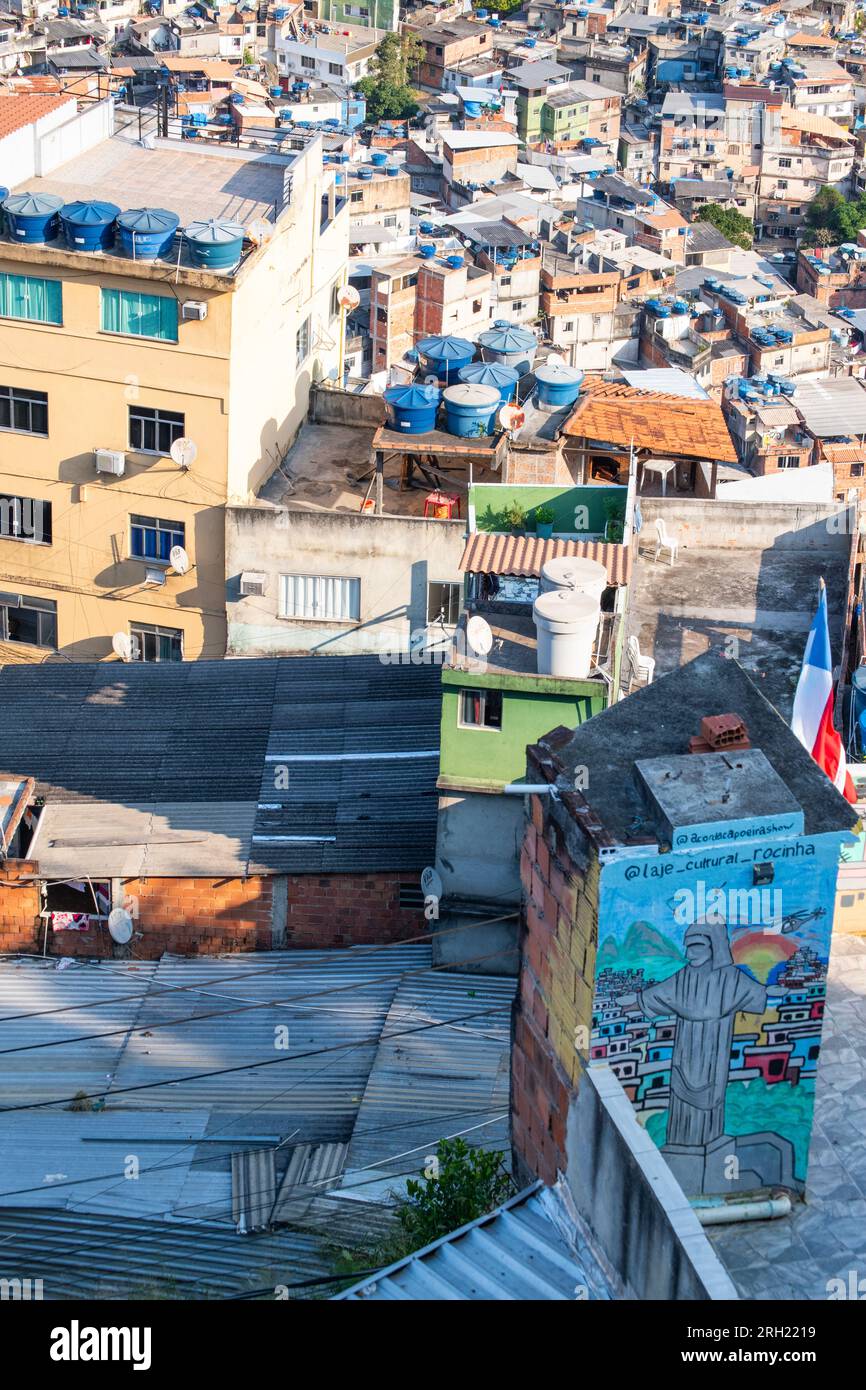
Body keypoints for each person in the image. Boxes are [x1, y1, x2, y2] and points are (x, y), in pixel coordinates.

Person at [637, 919, 766, 1149]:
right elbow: (657, 995)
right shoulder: (684, 977)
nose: (689, 954)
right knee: (681, 1115)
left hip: (713, 1055)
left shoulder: (731, 979)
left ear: (714, 946)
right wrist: (634, 1001)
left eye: (696, 946)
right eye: (688, 946)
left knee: (707, 1117)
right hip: (684, 1054)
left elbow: (756, 994)